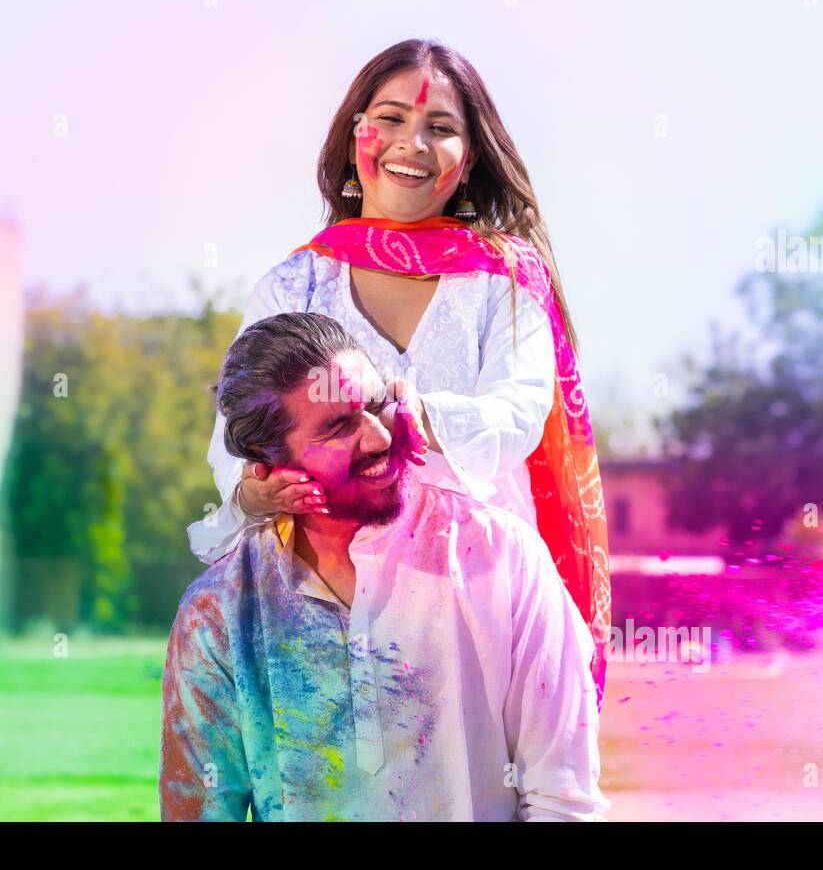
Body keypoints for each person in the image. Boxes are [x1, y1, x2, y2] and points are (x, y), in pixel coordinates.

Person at [187, 38, 612, 709]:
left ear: (468, 157)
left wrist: (412, 411)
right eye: (389, 118)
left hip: (486, 612)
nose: (411, 142)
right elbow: (234, 444)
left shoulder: (504, 282)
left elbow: (517, 421)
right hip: (330, 615)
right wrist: (252, 495)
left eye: (440, 128)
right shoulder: (295, 284)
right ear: (356, 131)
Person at [161, 312, 609, 821]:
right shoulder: (219, 612)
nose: (376, 437)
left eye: (377, 405)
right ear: (269, 464)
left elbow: (563, 801)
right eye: (337, 428)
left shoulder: (499, 558)